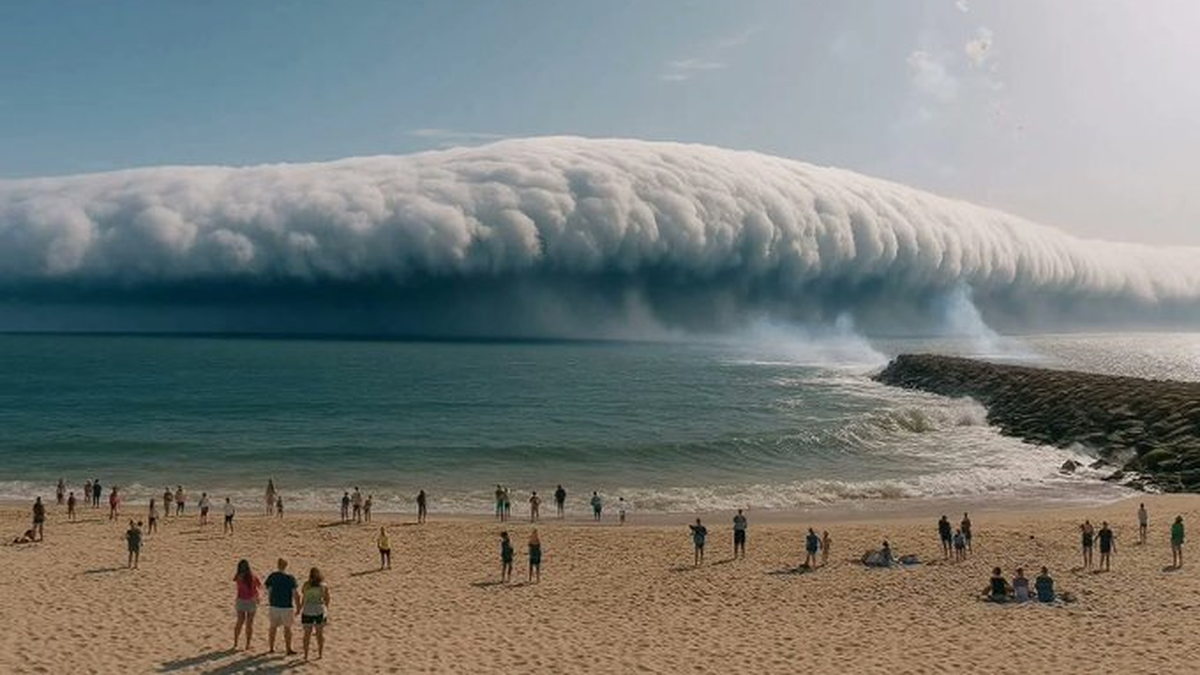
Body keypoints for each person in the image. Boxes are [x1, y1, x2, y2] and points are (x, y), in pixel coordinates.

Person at [265, 558, 300, 655]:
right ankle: (288, 648)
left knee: (273, 627)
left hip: (274, 605)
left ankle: (271, 648)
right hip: (286, 606)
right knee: (287, 628)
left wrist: (270, 600)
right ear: (286, 565)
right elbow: (295, 594)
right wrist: (298, 606)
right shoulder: (290, 578)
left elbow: (269, 590)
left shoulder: (272, 576)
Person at [298, 568, 330, 661]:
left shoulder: (306, 585)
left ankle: (306, 655)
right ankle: (320, 654)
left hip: (307, 610)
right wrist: (326, 608)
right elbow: (327, 598)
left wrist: (300, 608)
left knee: (307, 634)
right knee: (319, 634)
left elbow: (304, 597)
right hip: (319, 610)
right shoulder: (323, 586)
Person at [233, 559, 261, 650]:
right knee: (249, 624)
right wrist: (257, 597)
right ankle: (247, 644)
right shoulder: (253, 576)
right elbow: (257, 587)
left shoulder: (238, 577)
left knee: (239, 622)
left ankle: (236, 642)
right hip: (251, 601)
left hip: (241, 600)